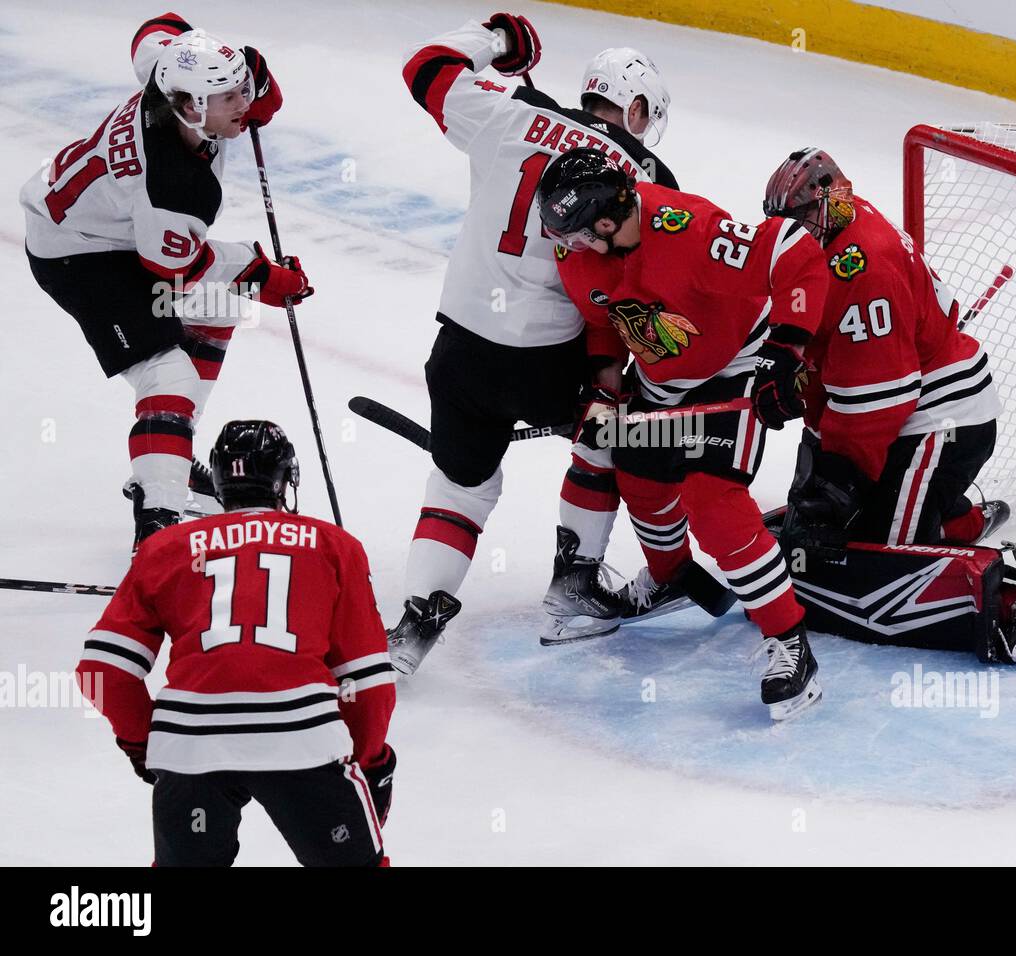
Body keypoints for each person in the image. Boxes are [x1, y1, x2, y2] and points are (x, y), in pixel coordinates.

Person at [389, 11, 678, 673]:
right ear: (634, 107)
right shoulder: (649, 173)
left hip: (459, 352)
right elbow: (639, 289)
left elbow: (425, 68)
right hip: (556, 362)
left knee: (461, 488)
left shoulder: (507, 113)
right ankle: (574, 578)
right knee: (609, 432)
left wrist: (495, 39)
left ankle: (415, 621)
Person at [760, 147, 1016, 664]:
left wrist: (835, 485)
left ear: (827, 202)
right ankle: (954, 518)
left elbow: (876, 405)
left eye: (797, 220)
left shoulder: (864, 271)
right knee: (826, 521)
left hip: (939, 420)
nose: (790, 234)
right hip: (903, 401)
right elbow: (837, 362)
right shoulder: (839, 228)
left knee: (880, 558)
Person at [538, 147, 829, 720]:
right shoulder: (581, 255)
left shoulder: (689, 230)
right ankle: (672, 578)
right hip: (662, 382)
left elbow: (795, 252)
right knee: (640, 478)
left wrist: (784, 353)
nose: (564, 247)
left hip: (733, 372)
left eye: (574, 234)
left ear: (604, 221)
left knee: (714, 507)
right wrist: (603, 385)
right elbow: (603, 324)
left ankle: (790, 640)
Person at [21, 13, 311, 552]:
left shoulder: (166, 70)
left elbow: (158, 27)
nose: (244, 103)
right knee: (167, 375)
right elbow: (173, 267)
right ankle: (155, 528)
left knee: (219, 309)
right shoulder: (174, 184)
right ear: (190, 108)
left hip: (117, 227)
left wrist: (253, 80)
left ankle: (166, 460)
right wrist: (262, 274)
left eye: (241, 88)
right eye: (230, 98)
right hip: (79, 255)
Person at [75, 420, 397, 866]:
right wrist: (370, 761)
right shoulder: (333, 545)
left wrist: (144, 744)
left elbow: (101, 671)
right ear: (287, 480)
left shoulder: (165, 547)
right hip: (302, 742)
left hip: (191, 749)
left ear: (219, 480)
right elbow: (368, 683)